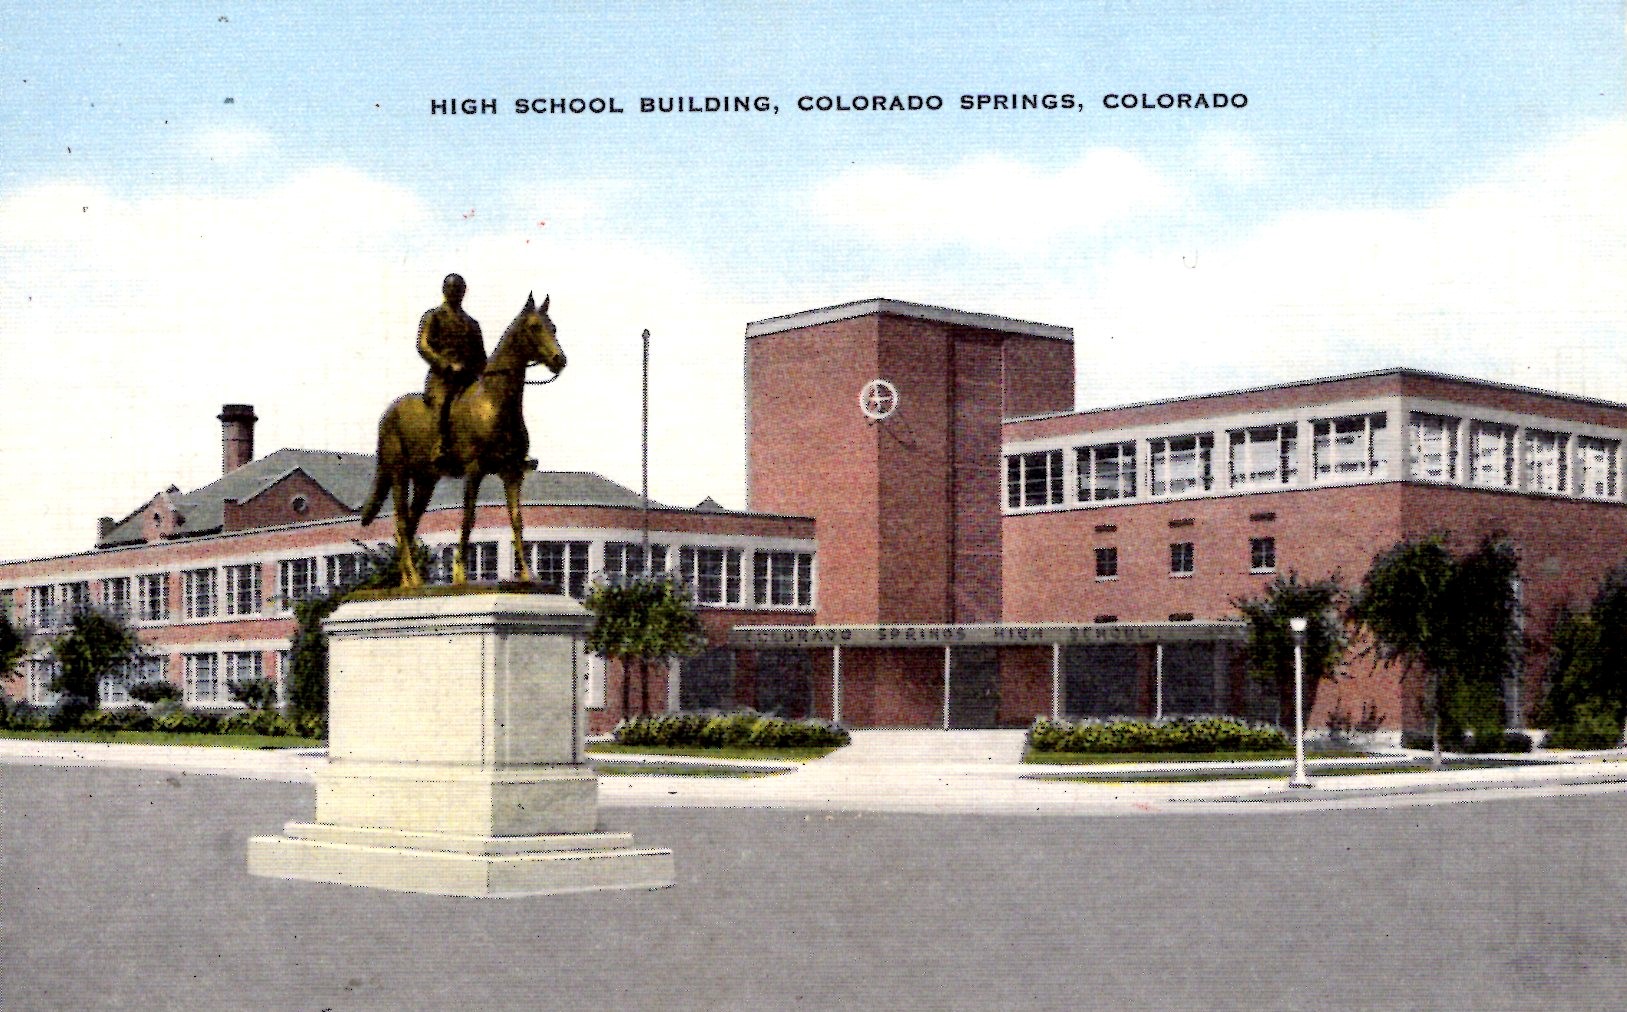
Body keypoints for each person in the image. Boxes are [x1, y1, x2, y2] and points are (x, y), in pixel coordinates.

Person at [417, 273, 487, 468]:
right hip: (442, 378)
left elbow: (481, 357)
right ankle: (439, 446)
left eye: (459, 290)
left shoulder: (472, 324)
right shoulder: (433, 316)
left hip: (467, 380)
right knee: (442, 402)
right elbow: (423, 345)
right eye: (452, 289)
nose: (456, 293)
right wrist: (446, 365)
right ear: (444, 290)